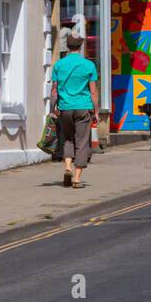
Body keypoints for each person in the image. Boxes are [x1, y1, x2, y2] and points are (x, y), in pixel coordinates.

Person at [51, 33, 99, 189]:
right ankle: (77, 179)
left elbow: (54, 91)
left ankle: (67, 167)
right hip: (83, 107)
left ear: (67, 46)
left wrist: (53, 108)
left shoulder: (59, 65)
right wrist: (96, 112)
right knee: (82, 142)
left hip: (65, 108)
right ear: (80, 46)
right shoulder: (89, 65)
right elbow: (93, 92)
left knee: (68, 139)